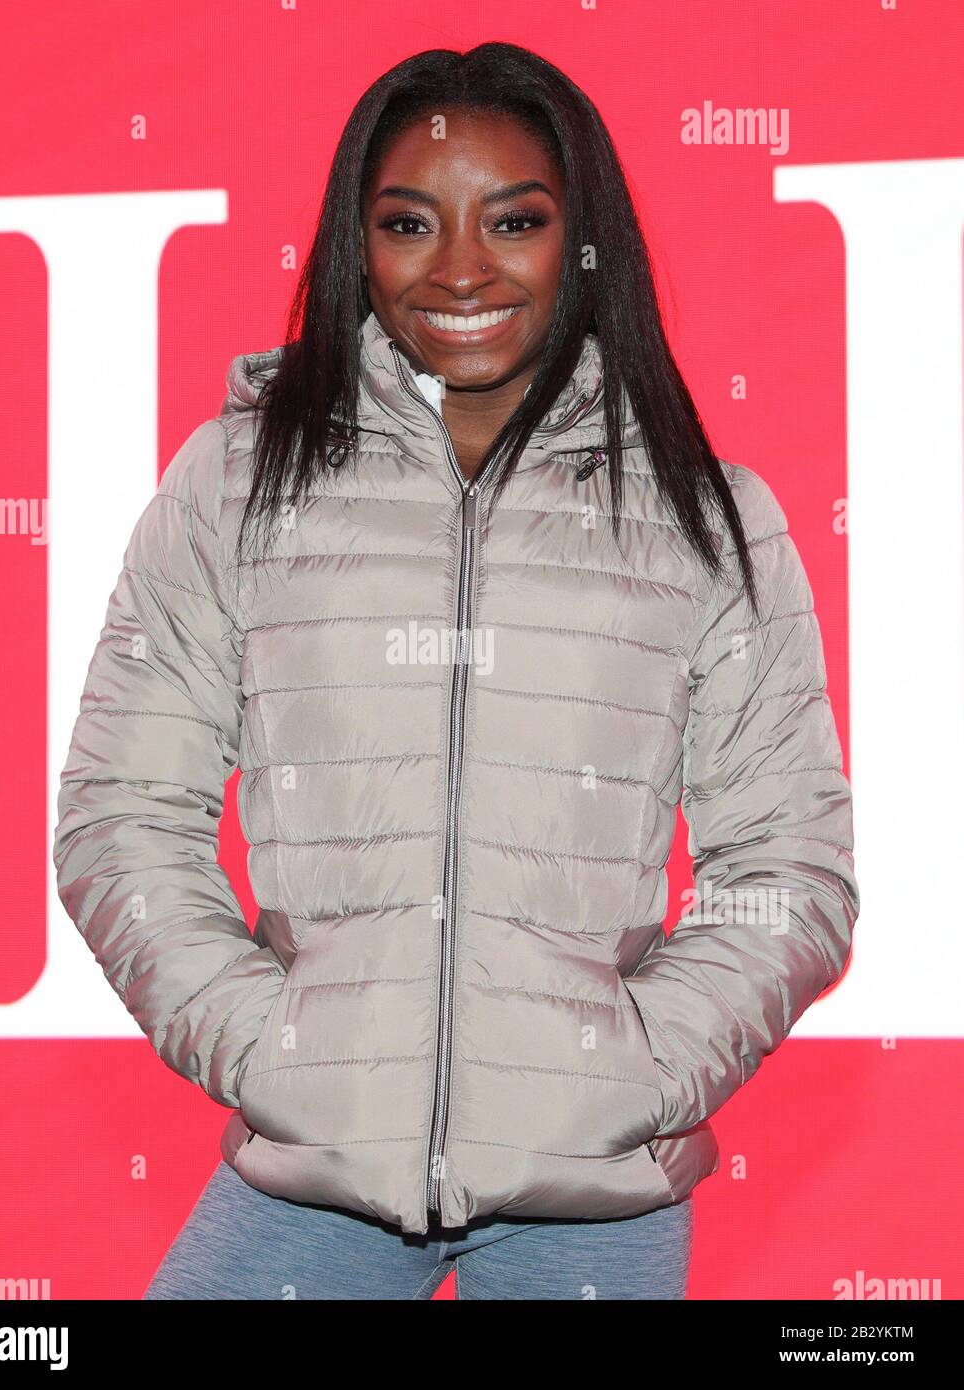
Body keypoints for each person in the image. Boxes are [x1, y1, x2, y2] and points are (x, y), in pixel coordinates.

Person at [52, 41, 860, 1301]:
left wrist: (632, 1070)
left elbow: (792, 870)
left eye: (517, 220)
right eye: (410, 222)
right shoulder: (235, 484)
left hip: (594, 1202)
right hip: (316, 1186)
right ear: (354, 246)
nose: (463, 268)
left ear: (583, 240)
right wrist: (281, 1053)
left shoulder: (711, 517)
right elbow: (117, 816)